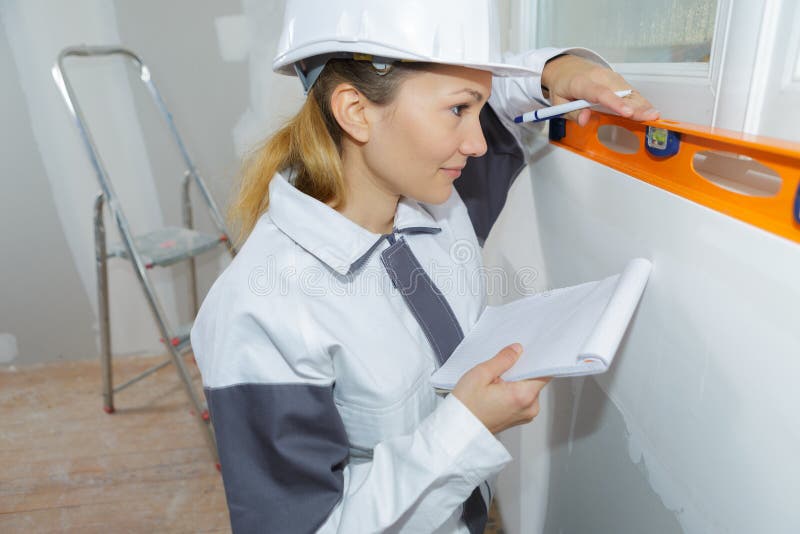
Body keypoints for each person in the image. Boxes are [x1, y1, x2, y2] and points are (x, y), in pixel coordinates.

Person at [190, 1, 658, 532]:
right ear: (356, 111)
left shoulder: (436, 200)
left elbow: (495, 96)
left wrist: (558, 69)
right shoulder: (258, 313)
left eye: (476, 111)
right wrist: (466, 430)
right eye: (459, 111)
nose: (479, 142)